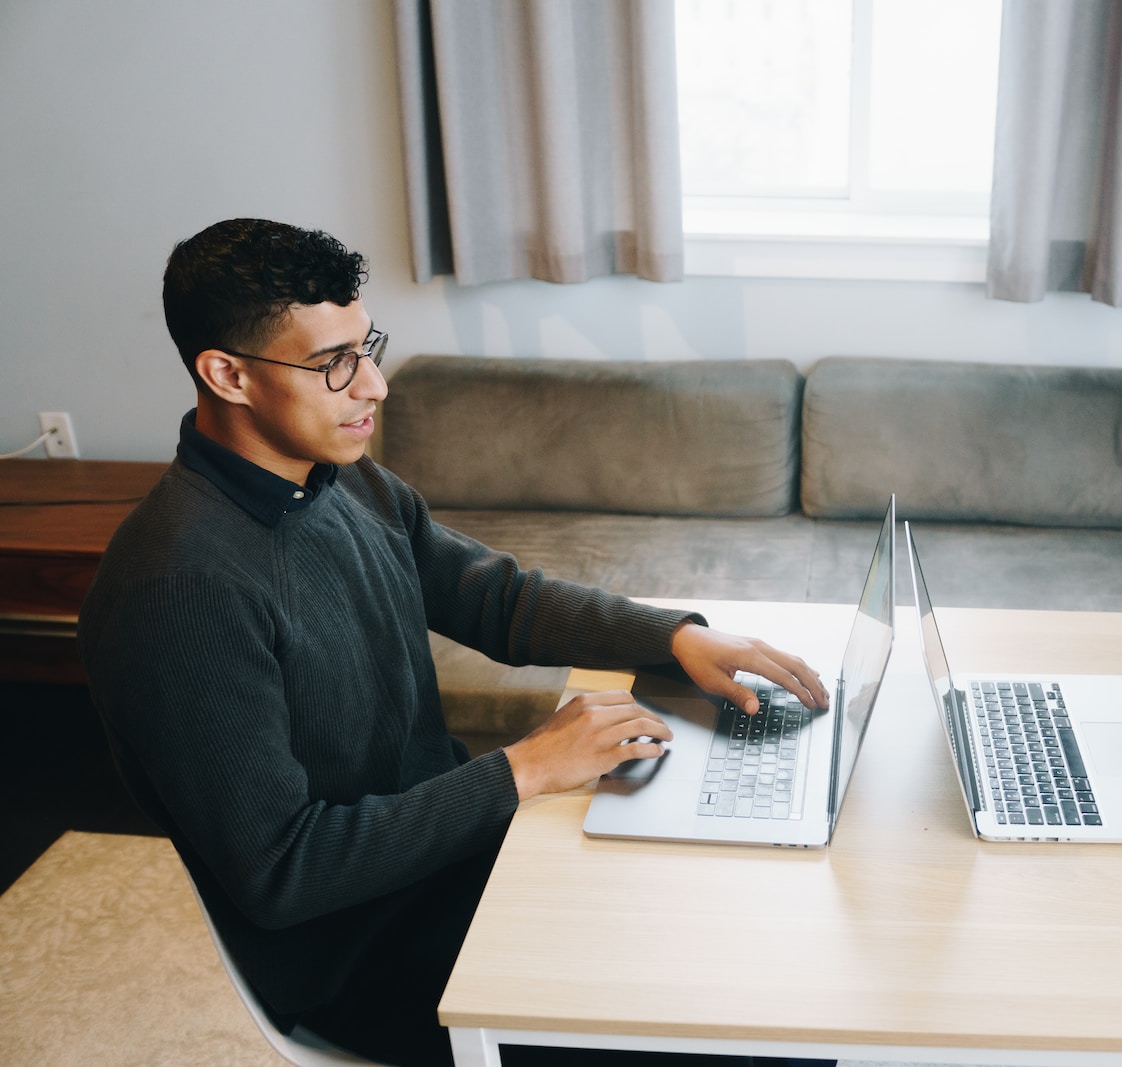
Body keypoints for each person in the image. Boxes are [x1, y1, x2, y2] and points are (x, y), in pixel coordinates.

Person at [78, 218, 833, 1067]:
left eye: (367, 348)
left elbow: (497, 600)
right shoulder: (179, 590)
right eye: (334, 364)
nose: (375, 386)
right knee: (745, 1038)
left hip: (461, 862)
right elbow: (284, 871)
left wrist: (673, 636)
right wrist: (526, 767)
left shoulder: (342, 479)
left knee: (747, 929)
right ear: (227, 375)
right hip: (372, 958)